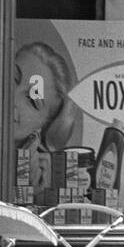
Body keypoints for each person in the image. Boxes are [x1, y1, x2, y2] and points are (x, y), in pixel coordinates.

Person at [13, 42, 79, 187]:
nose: (12, 96)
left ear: (44, 128)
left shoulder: (36, 179)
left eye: (32, 101)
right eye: (13, 78)